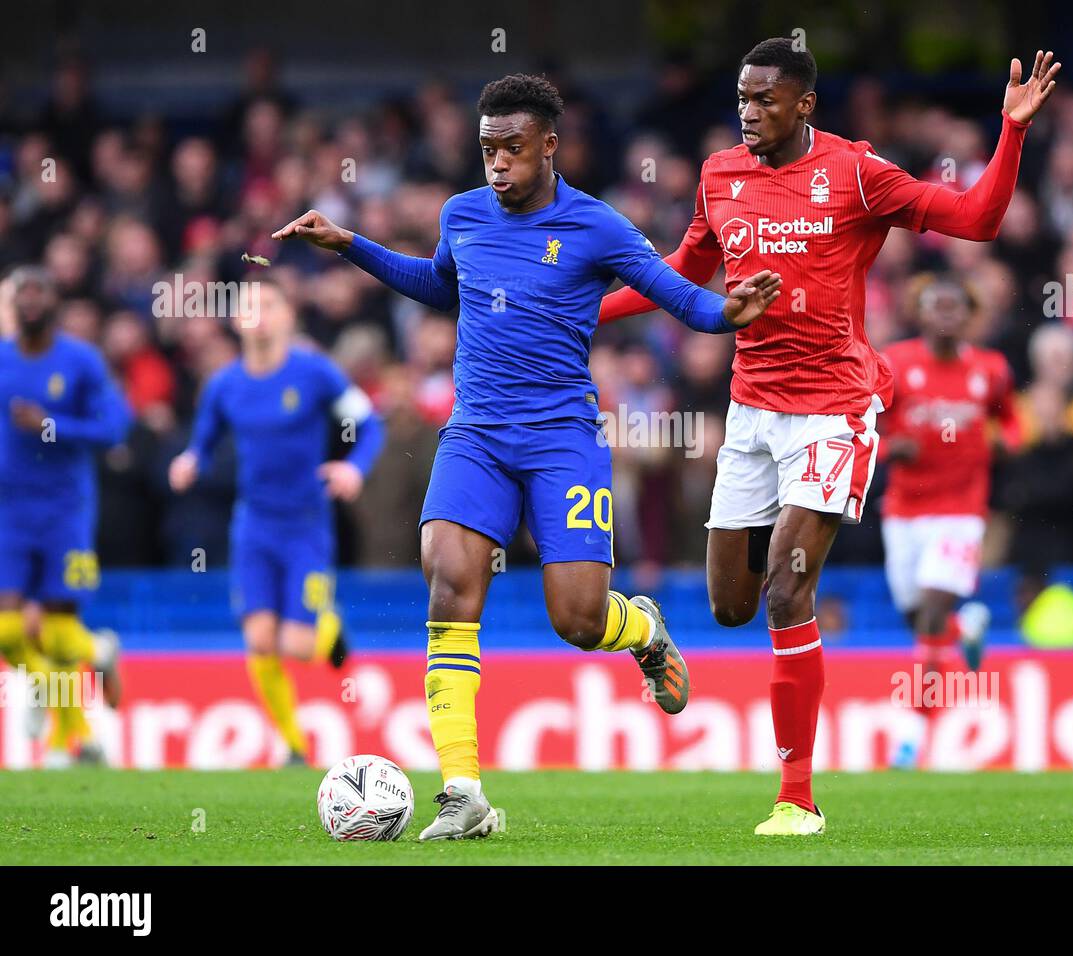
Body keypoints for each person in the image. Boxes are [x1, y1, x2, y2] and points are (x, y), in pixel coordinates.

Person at [272, 74, 781, 840]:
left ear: (550, 145)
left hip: (561, 440)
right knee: (447, 583)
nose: (497, 165)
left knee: (576, 620)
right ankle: (463, 792)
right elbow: (438, 284)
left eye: (512, 149)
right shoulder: (462, 214)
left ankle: (640, 630)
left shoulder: (597, 226)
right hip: (475, 433)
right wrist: (350, 245)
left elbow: (675, 293)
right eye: (487, 151)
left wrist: (724, 314)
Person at [600, 38, 1058, 834]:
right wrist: (576, 314)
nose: (748, 112)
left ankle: (797, 799)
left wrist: (1011, 132)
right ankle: (651, 630)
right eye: (741, 98)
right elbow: (680, 271)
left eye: (764, 99)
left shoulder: (856, 173)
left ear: (804, 104)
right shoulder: (720, 175)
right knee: (730, 606)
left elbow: (978, 218)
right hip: (751, 412)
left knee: (786, 588)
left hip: (834, 409)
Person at [169, 279, 385, 765]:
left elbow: (370, 423)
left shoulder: (314, 372)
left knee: (298, 643)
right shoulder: (224, 385)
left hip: (306, 524)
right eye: (249, 306)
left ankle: (330, 627)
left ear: (288, 316)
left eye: (269, 304)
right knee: (261, 642)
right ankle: (291, 745)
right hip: (253, 526)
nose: (259, 314)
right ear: (235, 321)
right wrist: (190, 461)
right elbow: (203, 439)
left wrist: (354, 466)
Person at [878, 276, 1019, 767]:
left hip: (961, 512)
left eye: (954, 308)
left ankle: (912, 734)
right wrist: (889, 448)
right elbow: (862, 426)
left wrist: (1008, 442)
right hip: (903, 510)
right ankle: (968, 625)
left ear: (968, 316)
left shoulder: (991, 370)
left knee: (930, 619)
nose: (945, 315)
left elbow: (1012, 421)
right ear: (920, 313)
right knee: (918, 618)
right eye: (936, 306)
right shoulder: (894, 365)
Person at [0, 266, 130, 765]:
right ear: (13, 304)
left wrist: (52, 423)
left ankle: (70, 741)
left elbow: (115, 428)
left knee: (55, 631)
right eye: (21, 292)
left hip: (65, 511)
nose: (30, 299)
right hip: (10, 513)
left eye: (39, 290)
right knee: (9, 631)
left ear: (54, 301)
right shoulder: (4, 360)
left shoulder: (80, 361)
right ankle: (97, 654)